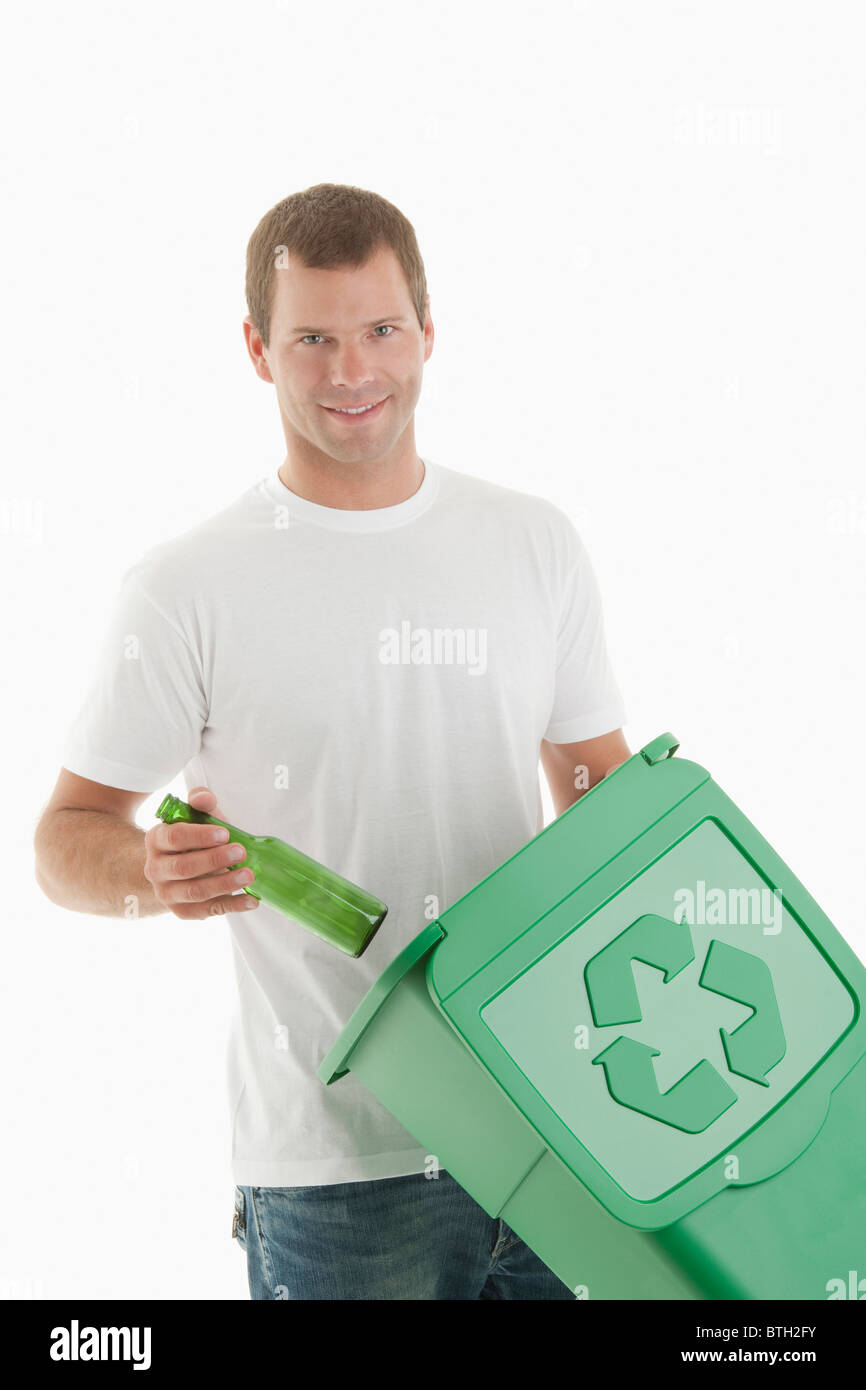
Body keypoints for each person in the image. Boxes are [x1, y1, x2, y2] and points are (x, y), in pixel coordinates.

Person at [34, 182, 631, 1299]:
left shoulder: (533, 544)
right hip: (333, 1169)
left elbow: (598, 798)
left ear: (427, 334)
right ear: (258, 349)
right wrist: (152, 874)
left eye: (378, 330)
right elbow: (66, 841)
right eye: (312, 337)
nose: (352, 370)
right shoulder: (185, 586)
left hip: (553, 1137)